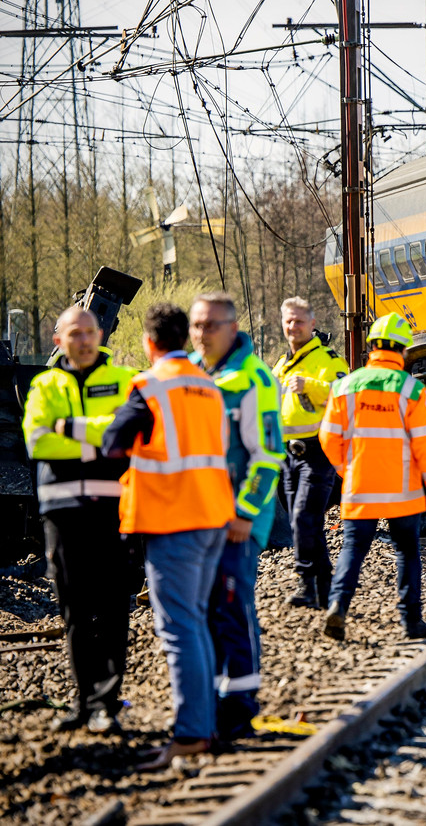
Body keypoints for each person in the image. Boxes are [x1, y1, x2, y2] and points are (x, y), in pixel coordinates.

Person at [102, 302, 234, 770]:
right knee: (196, 623)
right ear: (181, 339)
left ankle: (192, 734)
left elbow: (110, 445)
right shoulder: (208, 387)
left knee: (178, 629)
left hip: (173, 521)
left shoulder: (150, 385)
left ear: (149, 342)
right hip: (213, 516)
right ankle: (205, 723)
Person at [22, 306, 137, 734]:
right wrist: (97, 439)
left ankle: (106, 703)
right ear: (59, 341)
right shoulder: (44, 384)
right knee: (74, 608)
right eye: (76, 334)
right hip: (63, 512)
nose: (85, 340)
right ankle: (83, 701)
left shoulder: (125, 381)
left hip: (113, 509)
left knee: (111, 607)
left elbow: (125, 437)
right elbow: (37, 441)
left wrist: (68, 428)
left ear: (101, 334)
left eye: (91, 332)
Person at [189, 292, 285, 741]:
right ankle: (211, 701)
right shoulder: (190, 372)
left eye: (210, 325)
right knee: (203, 611)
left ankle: (241, 705)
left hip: (236, 519)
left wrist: (245, 513)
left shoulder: (253, 378)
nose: (202, 333)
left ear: (232, 327)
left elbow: (266, 455)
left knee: (230, 607)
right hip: (197, 516)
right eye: (196, 325)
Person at [319, 313, 426, 641]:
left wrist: (347, 469)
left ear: (372, 347)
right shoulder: (413, 391)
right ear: (403, 352)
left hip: (359, 487)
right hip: (403, 492)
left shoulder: (346, 385)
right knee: (407, 551)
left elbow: (328, 437)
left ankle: (337, 606)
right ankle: (411, 621)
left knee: (352, 548)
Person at [271, 297, 349, 608]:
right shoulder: (281, 363)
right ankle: (319, 586)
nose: (293, 327)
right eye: (288, 321)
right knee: (303, 522)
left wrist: (313, 387)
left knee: (305, 517)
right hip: (288, 455)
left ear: (312, 324)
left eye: (299, 321)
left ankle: (314, 585)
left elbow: (347, 397)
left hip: (319, 451)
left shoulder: (328, 361)